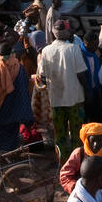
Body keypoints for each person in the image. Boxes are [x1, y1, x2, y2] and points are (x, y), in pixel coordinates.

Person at [39, 20, 89, 158]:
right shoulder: (73, 49)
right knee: (77, 133)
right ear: (66, 32)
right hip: (75, 99)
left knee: (60, 135)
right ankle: (77, 161)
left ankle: (63, 164)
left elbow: (42, 76)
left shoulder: (46, 50)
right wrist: (88, 91)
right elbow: (81, 74)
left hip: (56, 100)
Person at [0, 43, 34, 154]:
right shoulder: (19, 67)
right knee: (11, 132)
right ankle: (10, 155)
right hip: (14, 109)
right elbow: (25, 86)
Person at [80, 30, 102, 125]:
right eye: (94, 45)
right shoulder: (79, 54)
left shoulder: (94, 55)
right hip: (84, 94)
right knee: (86, 121)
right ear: (86, 43)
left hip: (95, 91)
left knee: (97, 120)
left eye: (97, 44)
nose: (96, 47)